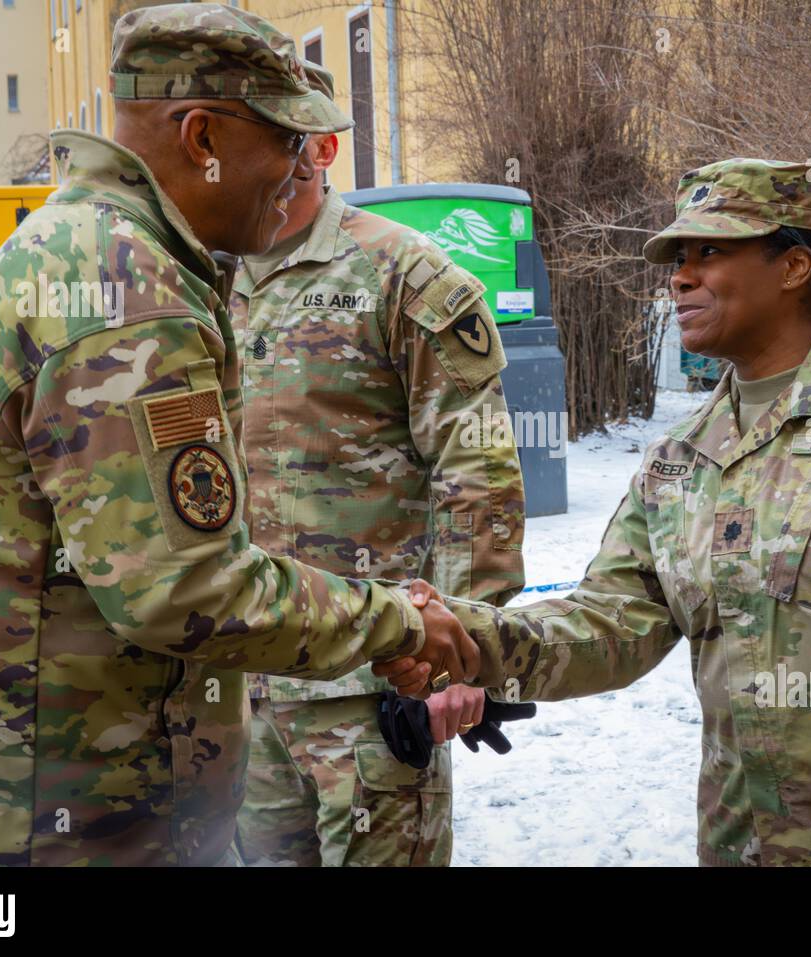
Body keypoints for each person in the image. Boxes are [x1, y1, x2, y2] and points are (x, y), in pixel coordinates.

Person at [0, 2, 475, 868]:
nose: (302, 168)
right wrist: (398, 624)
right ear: (203, 137)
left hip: (34, 805)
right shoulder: (124, 291)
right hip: (52, 829)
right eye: (288, 142)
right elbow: (185, 587)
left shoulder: (82, 251)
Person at [381, 158, 811, 867]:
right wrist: (469, 640)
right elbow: (610, 622)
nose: (681, 276)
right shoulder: (678, 461)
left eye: (711, 252)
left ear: (795, 266)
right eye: (678, 258)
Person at [228, 62, 525, 867]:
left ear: (321, 149)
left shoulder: (404, 275)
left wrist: (466, 657)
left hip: (374, 691)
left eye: (274, 139)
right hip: (236, 694)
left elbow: (478, 474)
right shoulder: (202, 281)